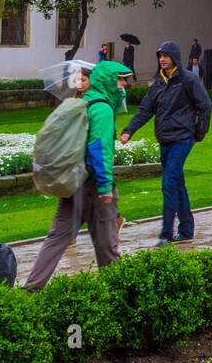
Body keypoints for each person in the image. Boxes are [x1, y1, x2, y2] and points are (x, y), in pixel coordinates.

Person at [26, 60, 132, 289]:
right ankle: (117, 293)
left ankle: (32, 288)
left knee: (56, 239)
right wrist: (105, 187)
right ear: (107, 81)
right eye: (120, 79)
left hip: (73, 182)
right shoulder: (102, 108)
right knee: (107, 246)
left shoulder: (83, 101)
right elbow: (99, 149)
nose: (124, 84)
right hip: (94, 185)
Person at [121, 41, 212, 246]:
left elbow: (205, 106)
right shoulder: (159, 83)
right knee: (177, 184)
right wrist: (128, 131)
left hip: (182, 139)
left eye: (165, 56)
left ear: (174, 57)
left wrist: (199, 133)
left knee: (168, 183)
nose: (162, 59)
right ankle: (187, 229)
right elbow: (145, 110)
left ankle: (166, 233)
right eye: (159, 56)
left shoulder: (188, 79)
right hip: (165, 140)